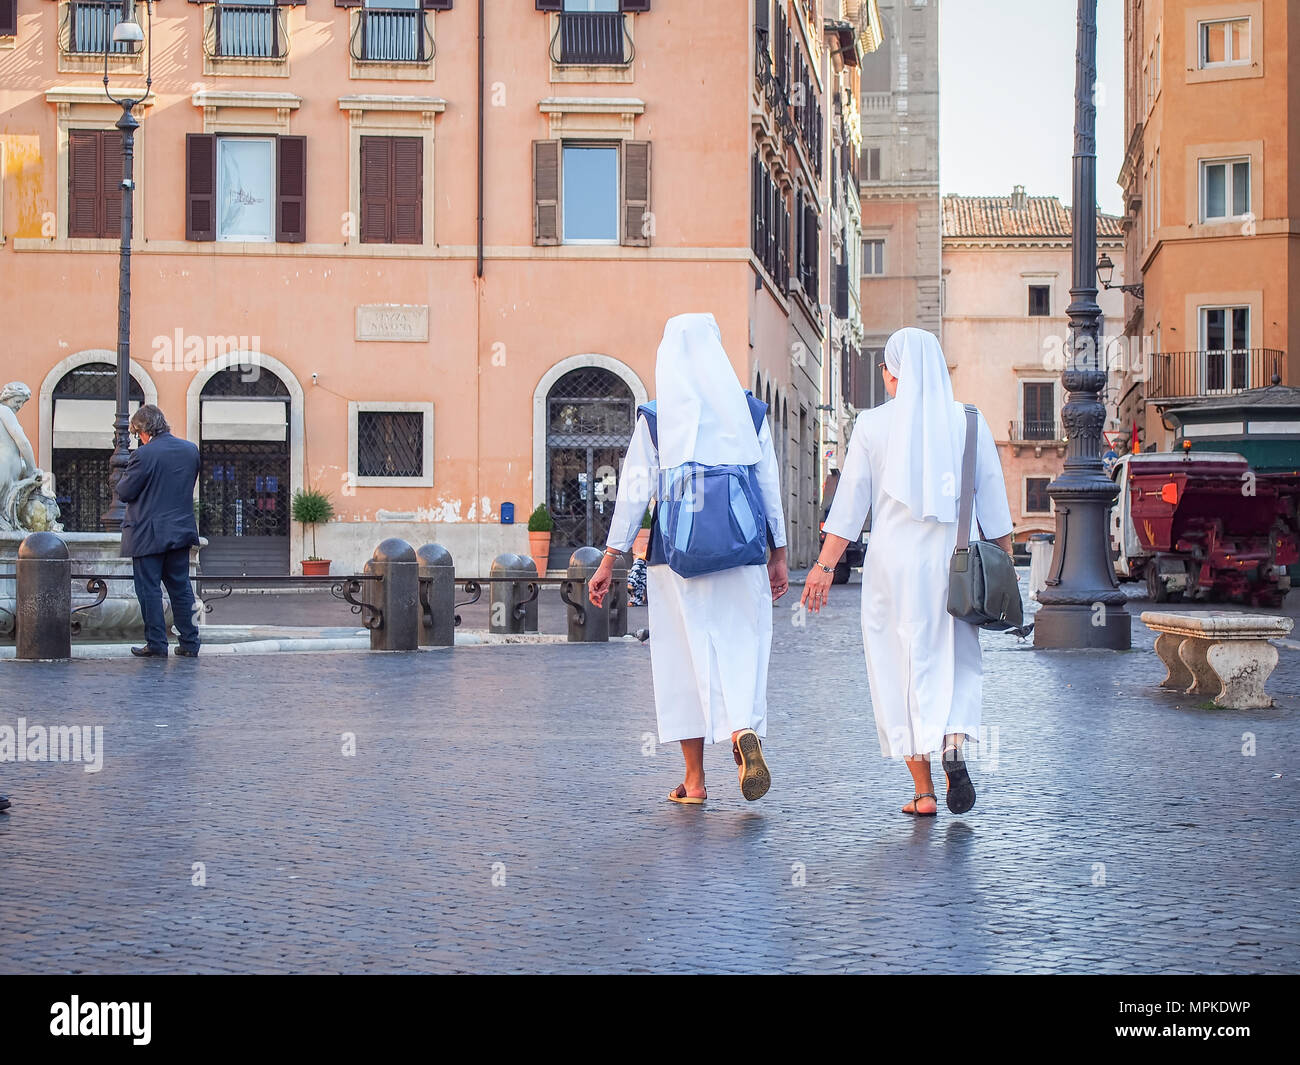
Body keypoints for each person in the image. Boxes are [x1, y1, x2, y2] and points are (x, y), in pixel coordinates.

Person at [802, 327, 1014, 816]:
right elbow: (996, 509)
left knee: (899, 670)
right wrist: (1006, 568)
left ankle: (923, 793)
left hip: (893, 569)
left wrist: (823, 567)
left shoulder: (874, 425)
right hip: (955, 566)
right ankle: (953, 746)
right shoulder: (970, 422)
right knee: (956, 661)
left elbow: (850, 508)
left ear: (894, 371)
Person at [588, 313, 789, 804]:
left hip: (676, 559)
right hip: (742, 555)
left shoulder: (657, 420)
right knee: (742, 647)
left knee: (681, 661)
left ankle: (695, 782)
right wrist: (778, 552)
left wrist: (610, 558)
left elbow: (634, 494)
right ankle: (742, 732)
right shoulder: (751, 414)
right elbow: (768, 489)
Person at [115, 405, 203, 658]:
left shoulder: (145, 454)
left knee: (149, 590)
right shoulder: (190, 450)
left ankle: (156, 643)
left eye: (136, 433)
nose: (137, 439)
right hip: (180, 529)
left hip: (147, 533)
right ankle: (189, 642)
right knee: (181, 587)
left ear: (143, 430)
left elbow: (125, 492)